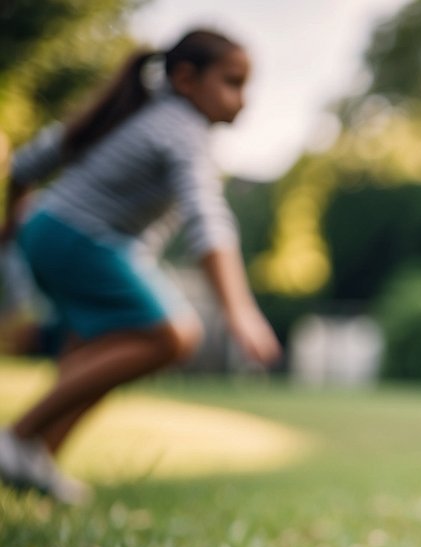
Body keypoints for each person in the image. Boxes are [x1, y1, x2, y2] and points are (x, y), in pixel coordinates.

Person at [0, 29, 281, 504]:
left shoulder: (138, 113)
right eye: (233, 83)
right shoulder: (182, 128)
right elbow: (207, 219)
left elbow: (27, 166)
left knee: (100, 352)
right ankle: (16, 438)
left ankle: (36, 458)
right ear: (187, 78)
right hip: (76, 236)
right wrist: (239, 310)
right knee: (171, 334)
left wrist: (12, 229)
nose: (243, 100)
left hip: (50, 231)